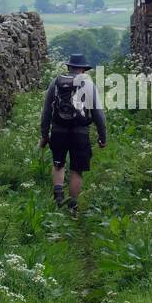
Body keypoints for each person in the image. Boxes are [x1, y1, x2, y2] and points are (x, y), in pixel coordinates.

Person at [39, 53, 106, 213]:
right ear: (83, 69)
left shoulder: (56, 82)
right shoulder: (89, 85)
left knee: (58, 164)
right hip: (80, 132)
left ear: (69, 67)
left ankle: (58, 196)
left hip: (58, 130)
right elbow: (98, 114)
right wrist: (102, 137)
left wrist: (44, 135)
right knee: (76, 170)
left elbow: (47, 111)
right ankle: (73, 207)